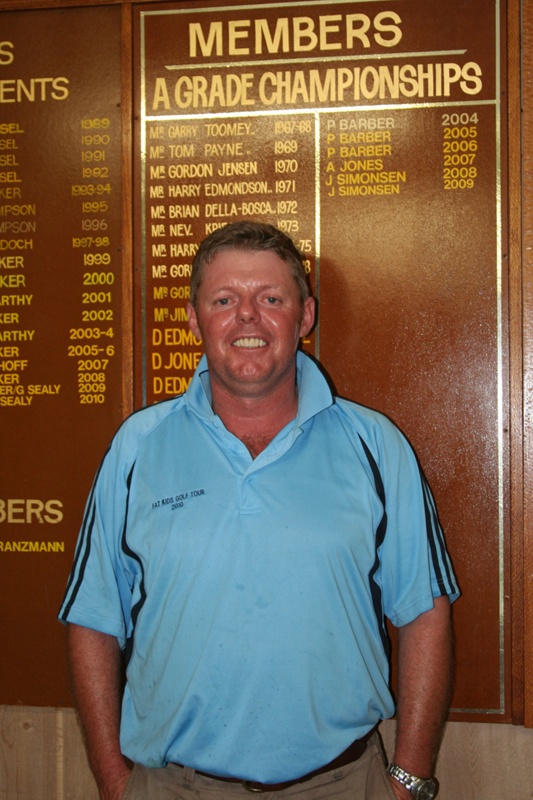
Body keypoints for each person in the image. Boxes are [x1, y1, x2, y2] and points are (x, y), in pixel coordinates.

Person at [59, 221, 459, 800]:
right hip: (172, 787)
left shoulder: (376, 445)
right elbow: (94, 618)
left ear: (305, 316)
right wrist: (113, 782)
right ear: (194, 319)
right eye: (224, 300)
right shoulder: (137, 448)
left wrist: (407, 779)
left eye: (271, 299)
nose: (247, 316)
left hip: (344, 784)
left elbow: (424, 612)